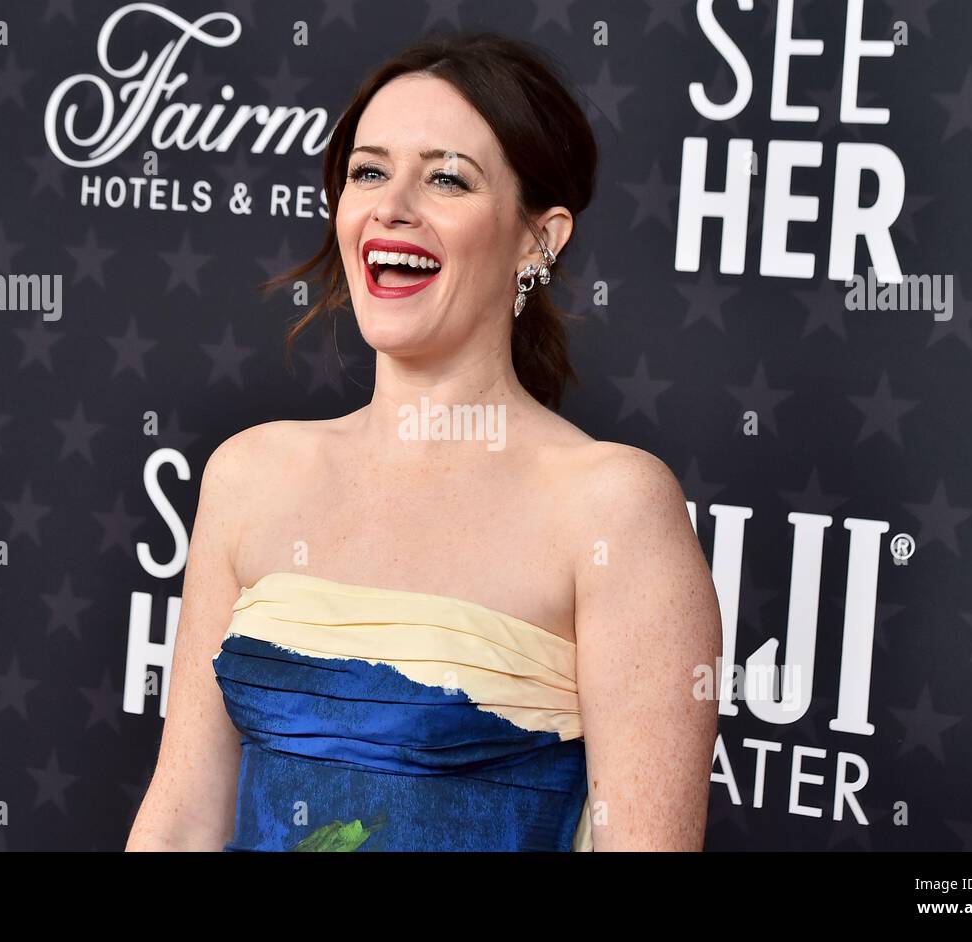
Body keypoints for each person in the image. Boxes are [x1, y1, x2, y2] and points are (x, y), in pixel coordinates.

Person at [126, 31, 721, 852]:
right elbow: (183, 815)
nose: (391, 204)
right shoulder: (250, 474)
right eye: (368, 171)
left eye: (446, 177)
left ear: (537, 239)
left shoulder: (610, 507)